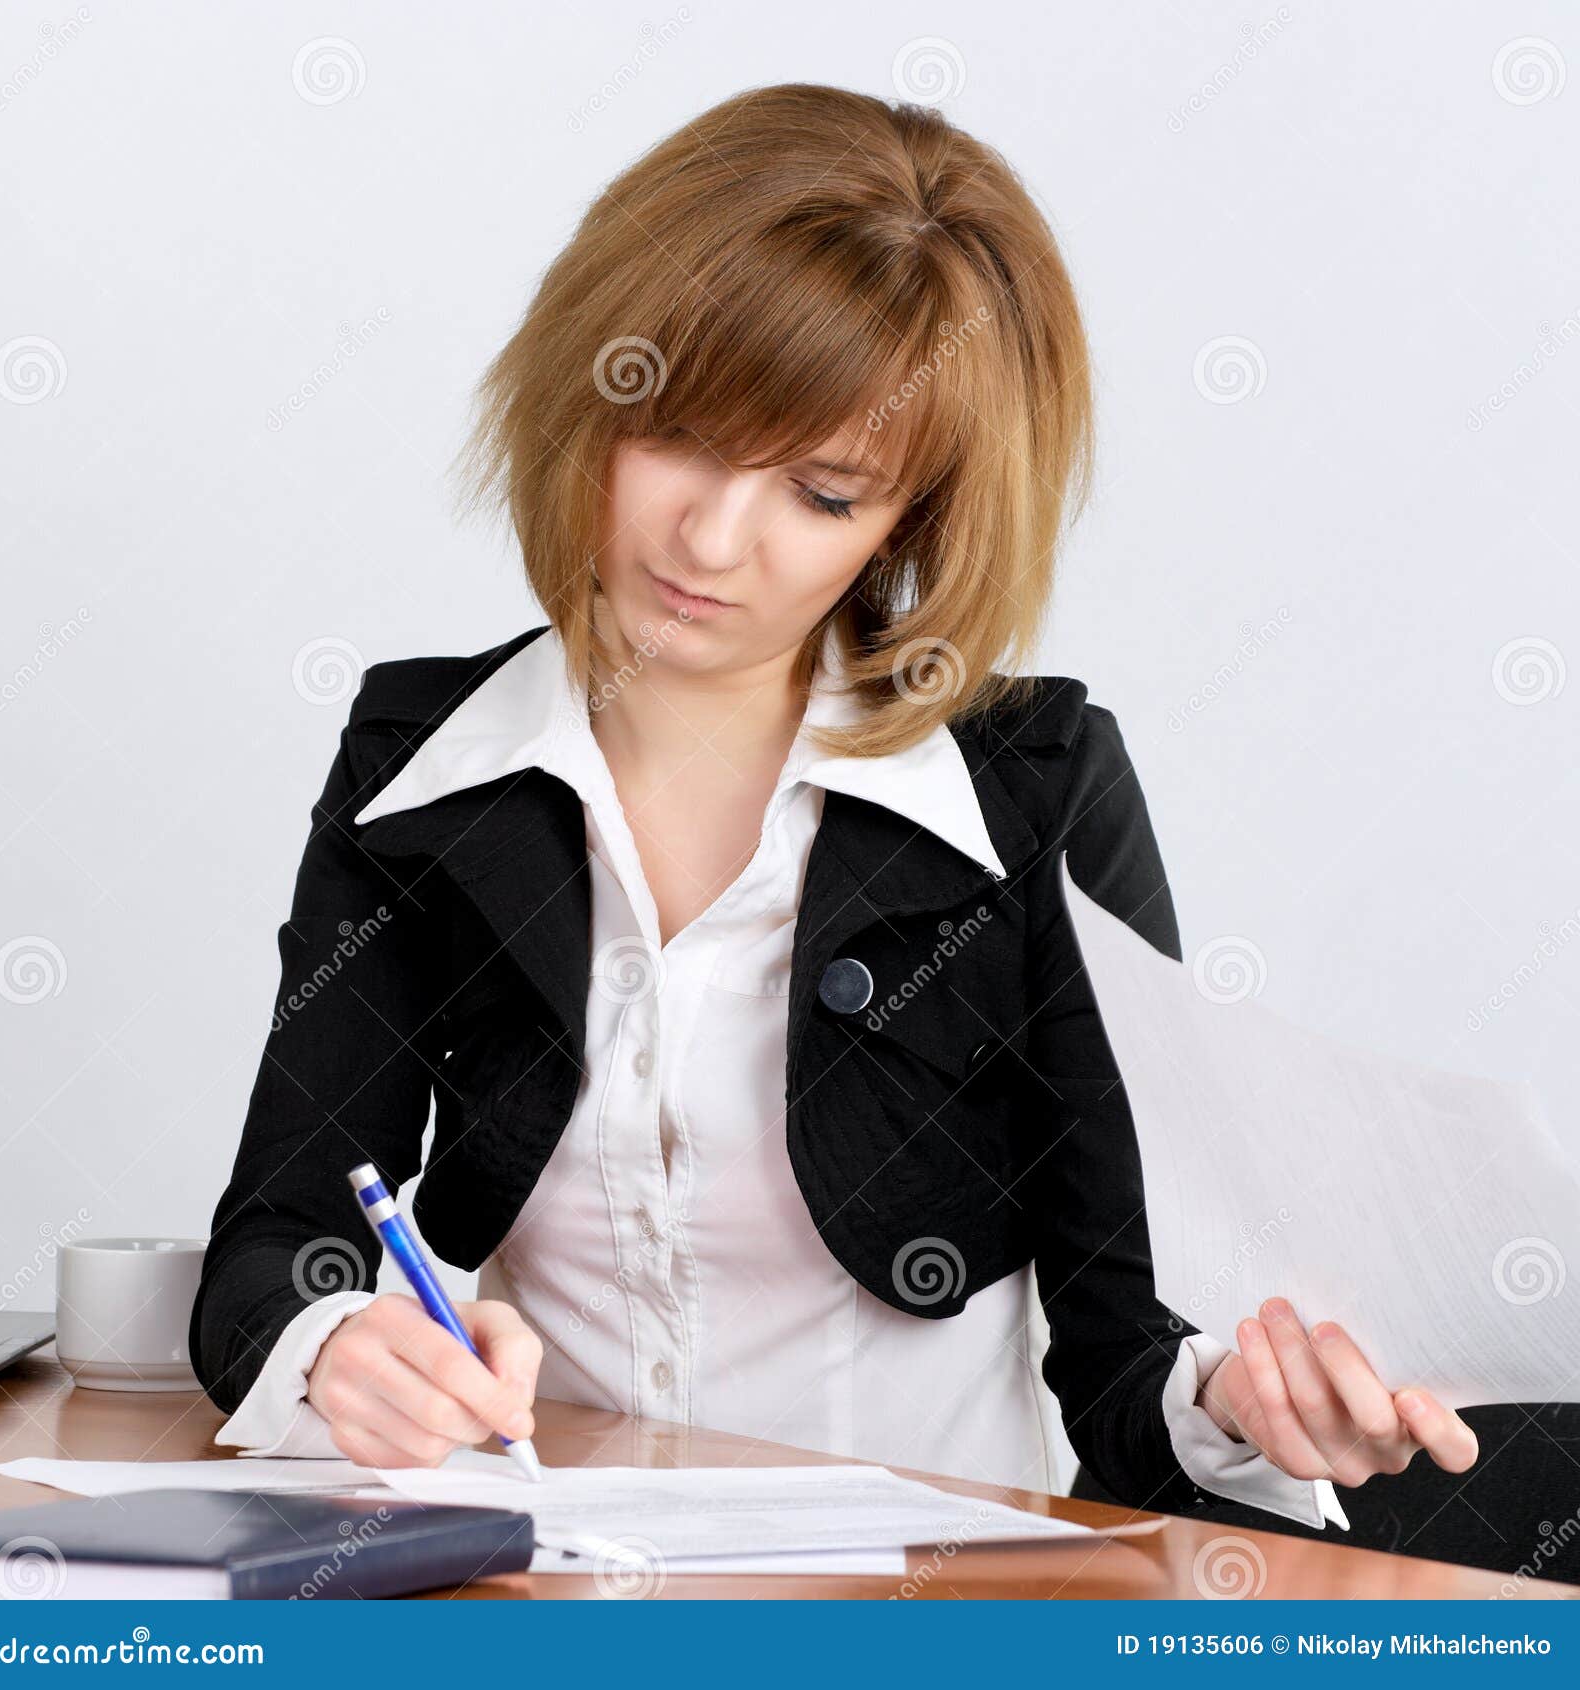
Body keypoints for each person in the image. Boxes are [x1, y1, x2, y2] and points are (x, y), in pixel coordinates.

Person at [189, 82, 1477, 1529]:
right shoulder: (425, 761)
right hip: (540, 1590)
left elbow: (1127, 1362)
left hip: (918, 1618)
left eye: (820, 490)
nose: (710, 537)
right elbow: (276, 1242)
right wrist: (335, 1350)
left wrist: (1240, 1410)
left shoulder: (1033, 792)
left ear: (909, 523)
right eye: (676, 431)